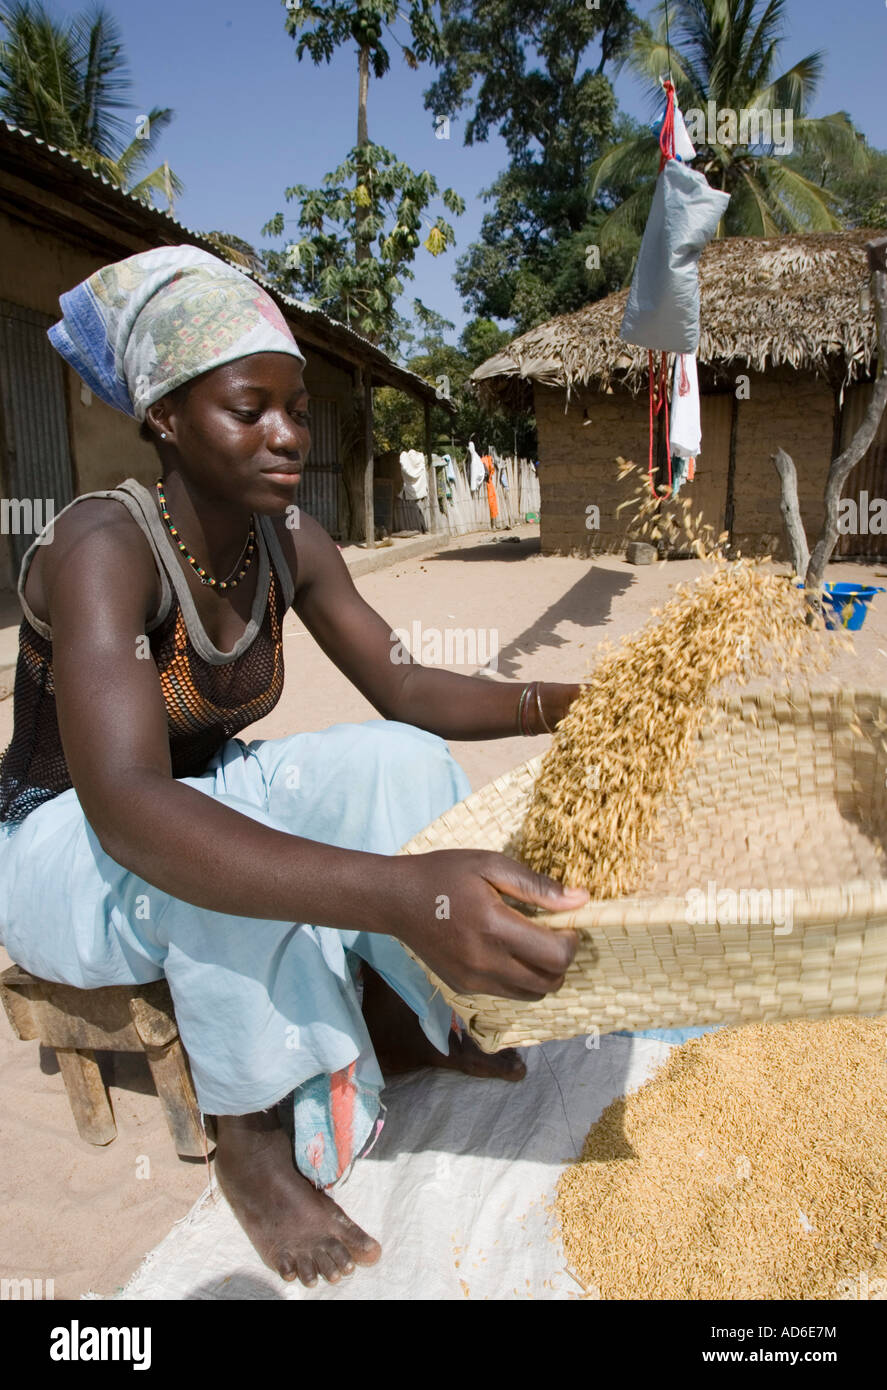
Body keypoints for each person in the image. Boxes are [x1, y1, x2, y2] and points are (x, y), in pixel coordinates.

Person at [0, 246, 587, 1290]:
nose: (286, 435)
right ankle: (248, 1134)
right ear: (166, 420)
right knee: (207, 856)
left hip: (192, 791)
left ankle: (407, 1018)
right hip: (63, 841)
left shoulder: (286, 539)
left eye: (298, 409)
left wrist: (563, 702)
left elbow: (404, 687)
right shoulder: (104, 547)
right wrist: (400, 890)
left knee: (392, 760)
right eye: (248, 408)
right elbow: (134, 812)